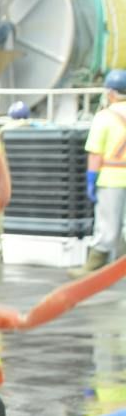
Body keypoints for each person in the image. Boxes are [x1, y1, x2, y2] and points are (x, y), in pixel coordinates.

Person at [84, 68, 126, 272]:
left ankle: (94, 268)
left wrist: (91, 179)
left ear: (110, 92)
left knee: (107, 227)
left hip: (111, 179)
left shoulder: (104, 117)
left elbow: (95, 154)